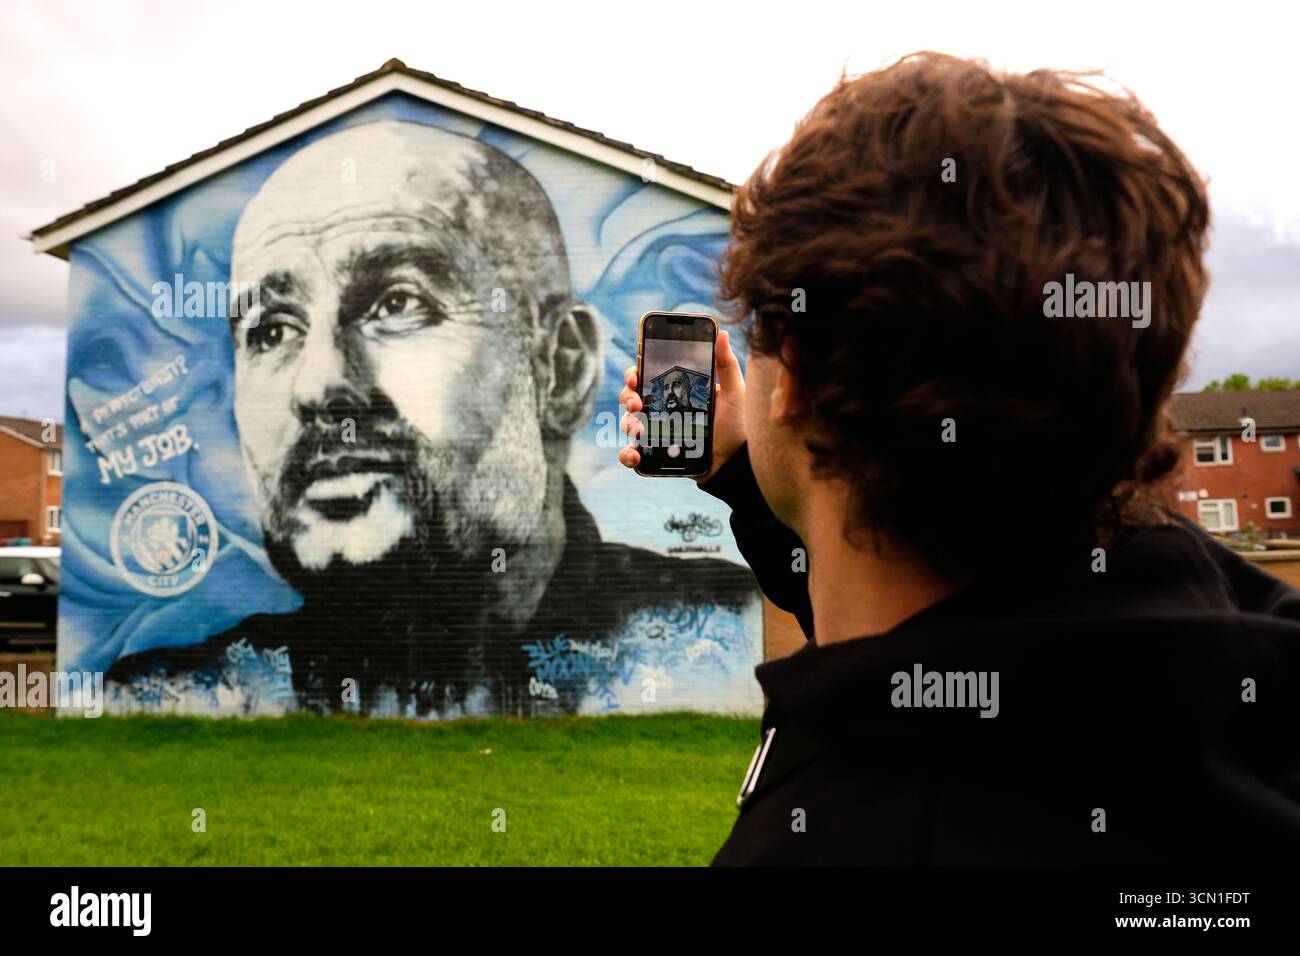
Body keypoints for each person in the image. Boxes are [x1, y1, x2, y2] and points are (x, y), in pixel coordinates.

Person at [620, 52, 1300, 864]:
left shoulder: (853, 830)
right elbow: (907, 612)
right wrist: (745, 468)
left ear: (790, 371)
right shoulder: (1232, 646)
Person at [107, 120, 759, 718]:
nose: (319, 385)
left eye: (397, 303)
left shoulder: (722, 631)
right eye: (273, 329)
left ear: (558, 368)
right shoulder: (178, 693)